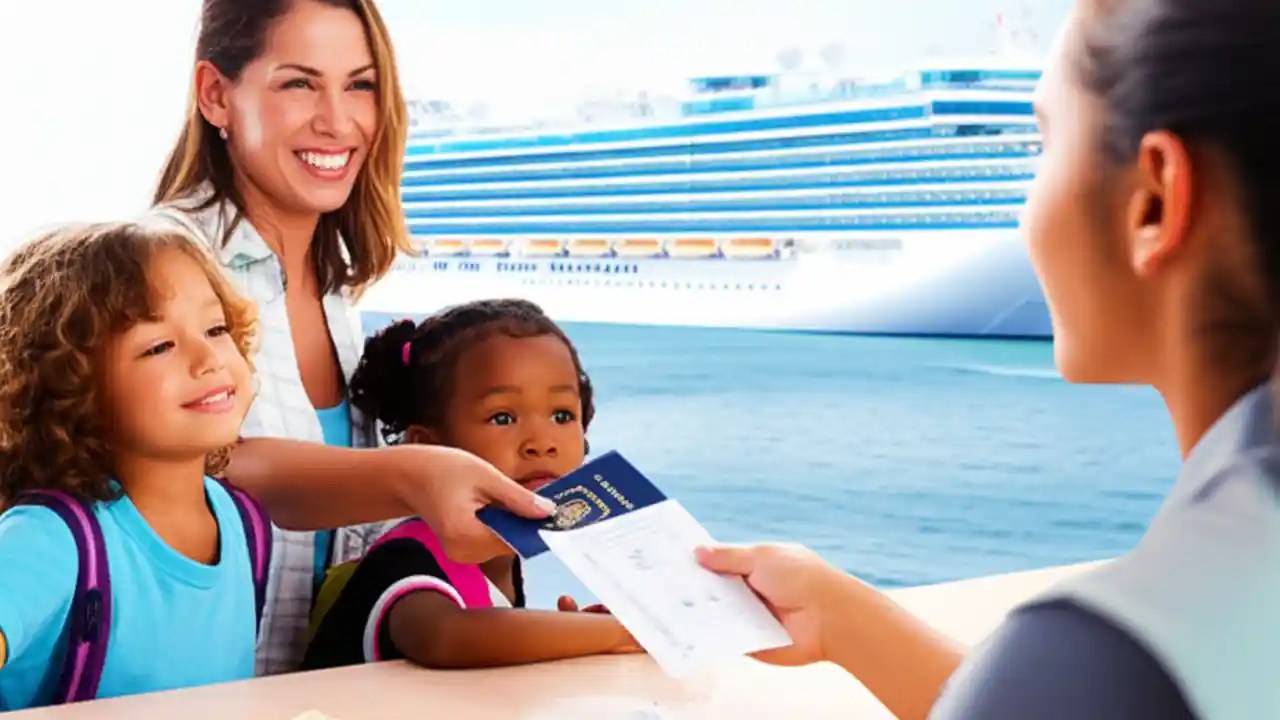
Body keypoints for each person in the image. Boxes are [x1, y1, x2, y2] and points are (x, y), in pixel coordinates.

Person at [698, 1, 1280, 718]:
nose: (1026, 206)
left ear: (1152, 203)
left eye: (1043, 145)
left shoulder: (1115, 650)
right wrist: (842, 618)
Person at [148, 0, 552, 675]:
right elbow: (192, 466)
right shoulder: (159, 264)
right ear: (216, 95)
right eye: (298, 83)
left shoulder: (333, 286)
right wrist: (412, 476)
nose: (338, 122)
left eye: (360, 85)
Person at [0, 221, 263, 710]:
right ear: (70, 384)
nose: (208, 358)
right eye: (159, 346)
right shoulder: (50, 539)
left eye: (216, 328)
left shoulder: (244, 523)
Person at [301, 300, 639, 669]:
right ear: (427, 448)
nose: (542, 442)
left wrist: (574, 635)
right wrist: (617, 633)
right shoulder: (409, 552)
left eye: (561, 415)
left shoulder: (503, 560)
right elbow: (444, 637)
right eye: (503, 417)